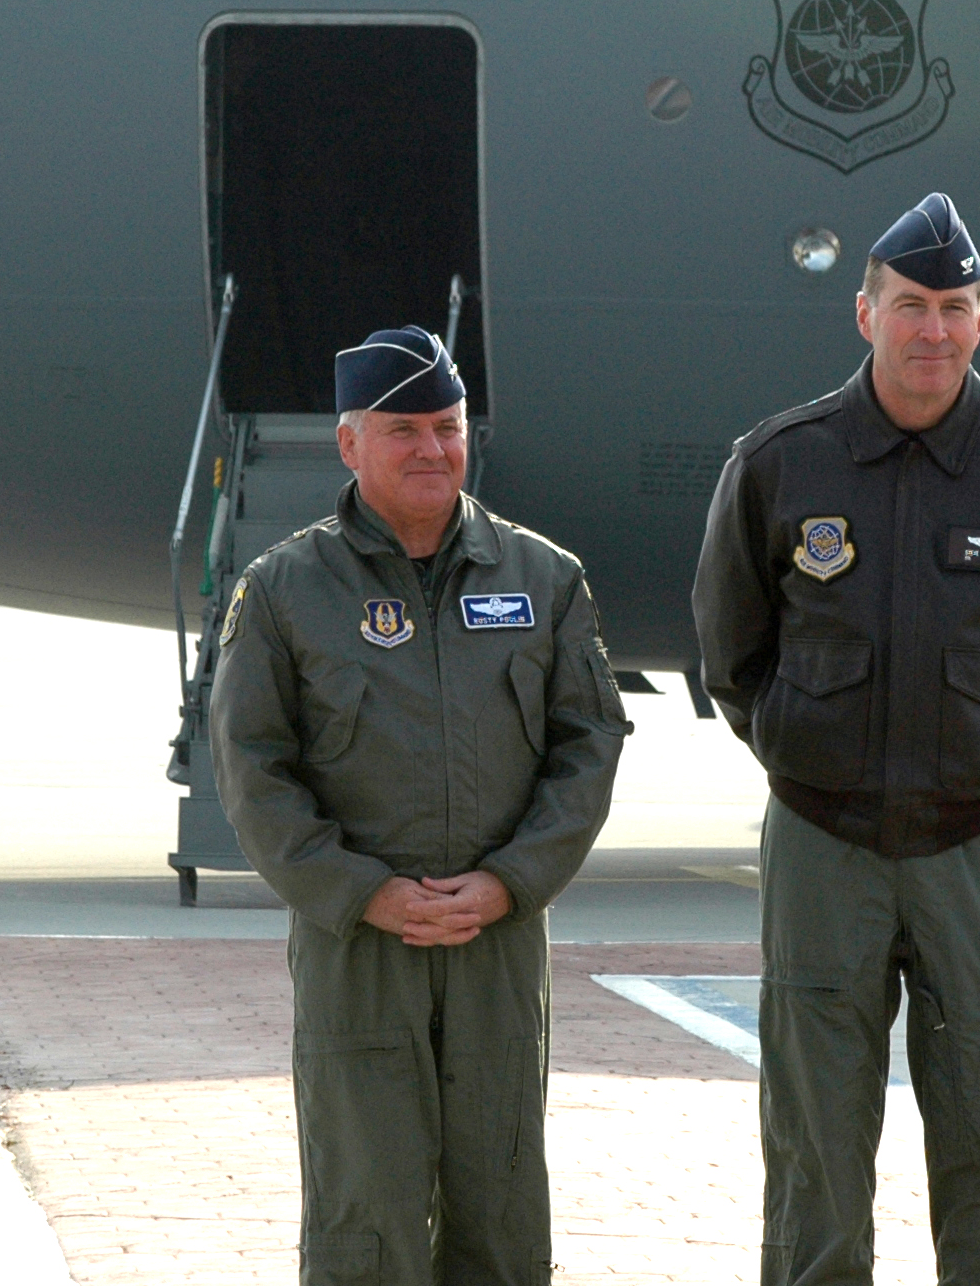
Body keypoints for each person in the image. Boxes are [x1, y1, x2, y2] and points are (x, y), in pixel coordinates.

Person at [693, 192, 980, 1286]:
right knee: (813, 1150)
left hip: (976, 847)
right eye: (908, 305)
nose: (929, 328)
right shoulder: (780, 463)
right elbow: (732, 652)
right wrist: (803, 744)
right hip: (821, 840)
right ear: (863, 312)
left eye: (953, 306)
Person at [210, 325, 631, 1286]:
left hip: (497, 938)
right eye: (404, 430)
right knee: (368, 1208)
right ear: (349, 443)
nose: (433, 450)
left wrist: (509, 882)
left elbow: (589, 748)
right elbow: (253, 770)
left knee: (503, 1206)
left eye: (449, 426)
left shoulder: (543, 579)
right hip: (359, 945)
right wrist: (362, 893)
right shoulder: (283, 591)